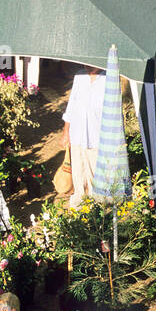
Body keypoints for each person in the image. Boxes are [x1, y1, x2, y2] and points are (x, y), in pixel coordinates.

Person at [62, 66, 108, 210]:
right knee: (78, 176)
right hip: (77, 136)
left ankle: (98, 212)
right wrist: (66, 132)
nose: (87, 67)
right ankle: (77, 211)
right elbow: (71, 106)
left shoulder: (108, 79)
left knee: (95, 177)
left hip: (97, 138)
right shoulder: (79, 76)